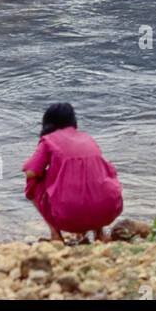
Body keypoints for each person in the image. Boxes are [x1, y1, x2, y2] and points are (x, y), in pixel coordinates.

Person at [22, 102, 123, 242]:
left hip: (68, 216)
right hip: (107, 212)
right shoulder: (87, 138)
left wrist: (49, 174)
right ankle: (99, 233)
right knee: (93, 176)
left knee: (33, 182)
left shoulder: (48, 140)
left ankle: (56, 234)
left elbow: (31, 172)